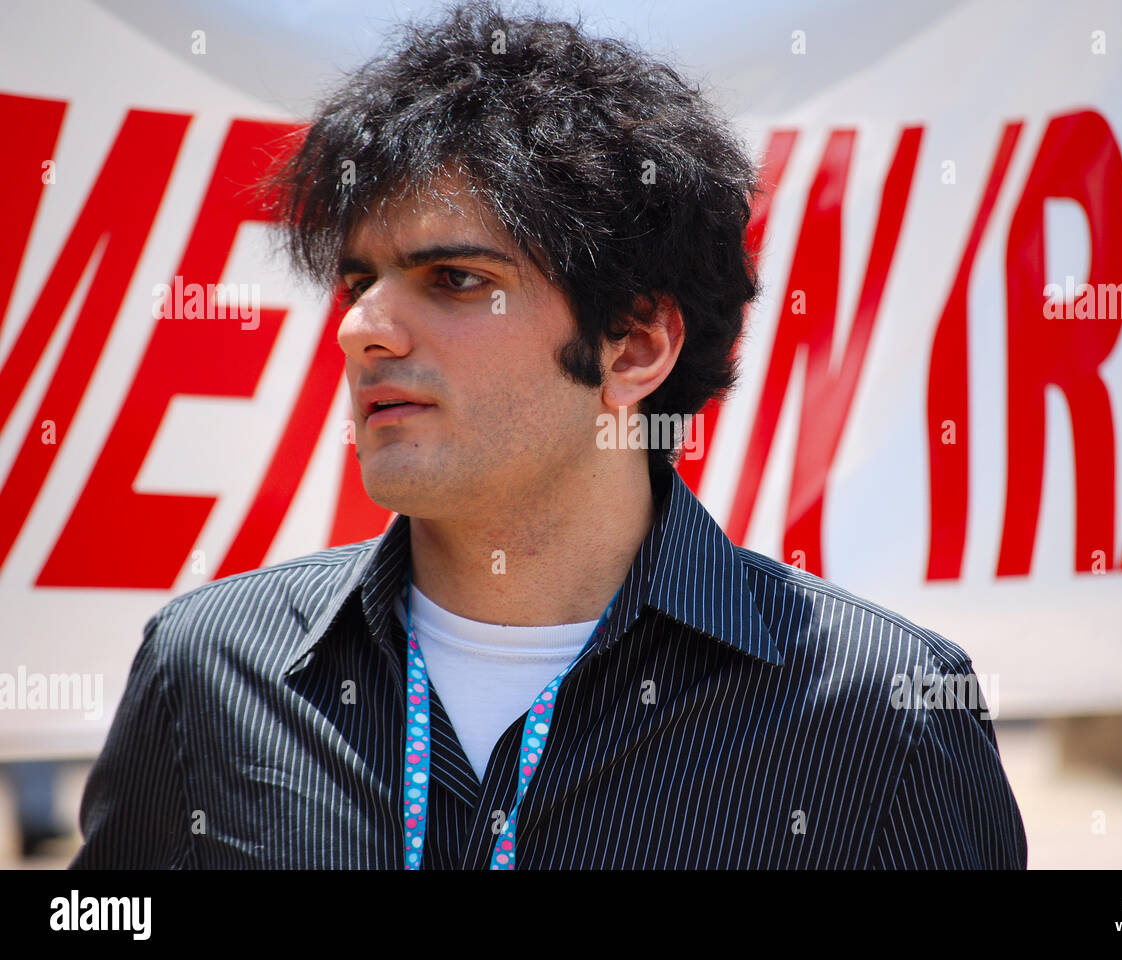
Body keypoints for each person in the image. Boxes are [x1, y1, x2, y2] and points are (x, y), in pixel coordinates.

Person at [70, 0, 1026, 869]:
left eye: (454, 279)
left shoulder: (886, 711)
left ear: (635, 345)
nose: (361, 327)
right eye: (360, 281)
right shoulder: (208, 670)